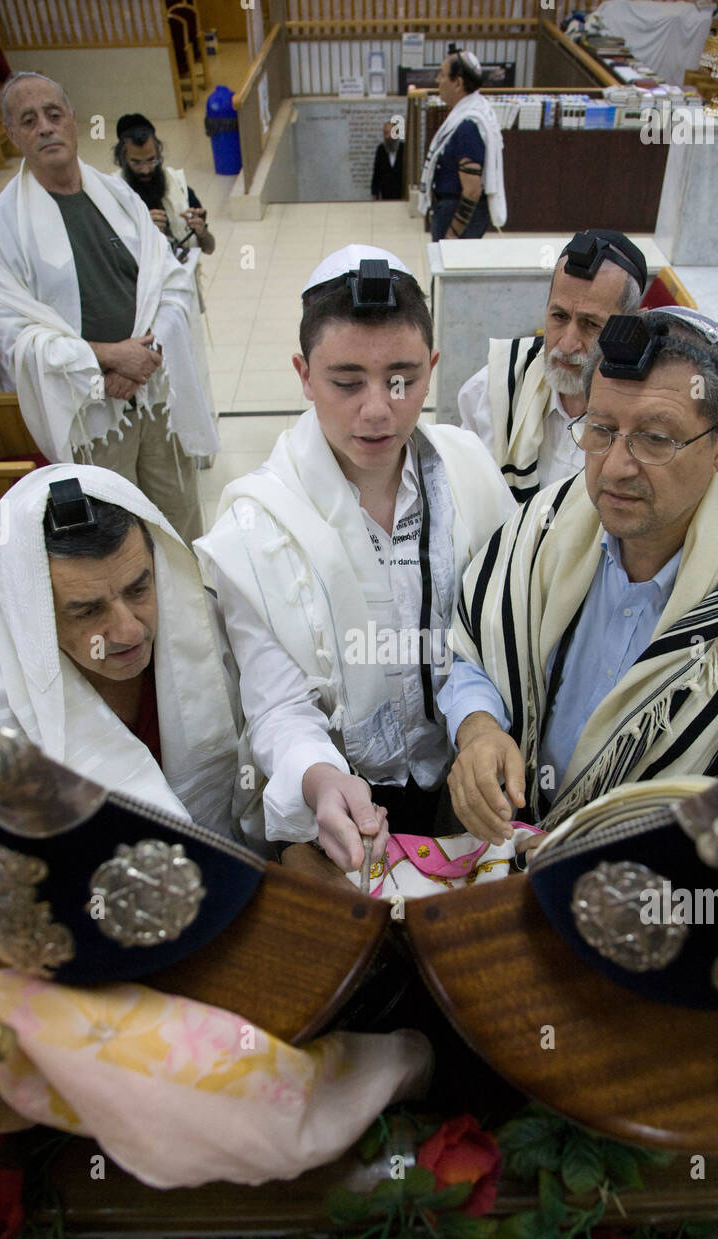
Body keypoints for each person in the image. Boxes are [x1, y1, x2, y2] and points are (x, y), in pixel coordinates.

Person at [439, 307, 718, 842]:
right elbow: (475, 644)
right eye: (601, 429)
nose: (616, 467)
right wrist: (479, 728)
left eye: (654, 439)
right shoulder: (552, 519)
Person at [195, 246, 516, 874]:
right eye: (346, 383)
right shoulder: (257, 526)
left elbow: (498, 626)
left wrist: (481, 727)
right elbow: (278, 706)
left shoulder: (470, 471)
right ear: (304, 375)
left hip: (462, 775)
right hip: (346, 800)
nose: (378, 409)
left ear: (433, 368)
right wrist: (318, 779)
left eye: (404, 379)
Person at [0, 72, 218, 546]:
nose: (44, 127)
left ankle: (194, 609)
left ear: (73, 122)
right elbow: (15, 336)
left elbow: (170, 285)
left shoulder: (118, 196)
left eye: (52, 114)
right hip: (89, 407)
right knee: (117, 532)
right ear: (11, 134)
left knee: (179, 519)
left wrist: (140, 361)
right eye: (28, 120)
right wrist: (104, 360)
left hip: (154, 392)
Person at [0, 465, 252, 838]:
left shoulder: (213, 632)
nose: (130, 631)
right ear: (30, 617)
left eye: (138, 590)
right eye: (88, 610)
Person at [458, 230, 647, 500]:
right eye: (559, 316)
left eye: (591, 324)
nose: (568, 345)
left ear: (632, 326)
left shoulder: (651, 415)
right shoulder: (494, 389)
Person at [418, 49, 506, 242]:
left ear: (457, 83)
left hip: (457, 216)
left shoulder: (468, 126)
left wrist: (452, 235)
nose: (437, 81)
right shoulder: (467, 116)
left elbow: (472, 190)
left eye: (442, 74)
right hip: (453, 211)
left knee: (452, 270)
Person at [113, 113, 215, 256]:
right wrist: (145, 233)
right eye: (136, 162)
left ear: (159, 156)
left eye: (151, 160)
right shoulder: (113, 195)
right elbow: (111, 258)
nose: (146, 170)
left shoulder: (178, 186)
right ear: (122, 159)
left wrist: (202, 232)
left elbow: (209, 248)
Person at [370, 119, 404, 202]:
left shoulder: (404, 149)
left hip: (402, 195)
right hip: (385, 196)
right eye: (386, 133)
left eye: (391, 133)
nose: (388, 136)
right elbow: (376, 173)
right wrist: (374, 193)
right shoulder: (381, 150)